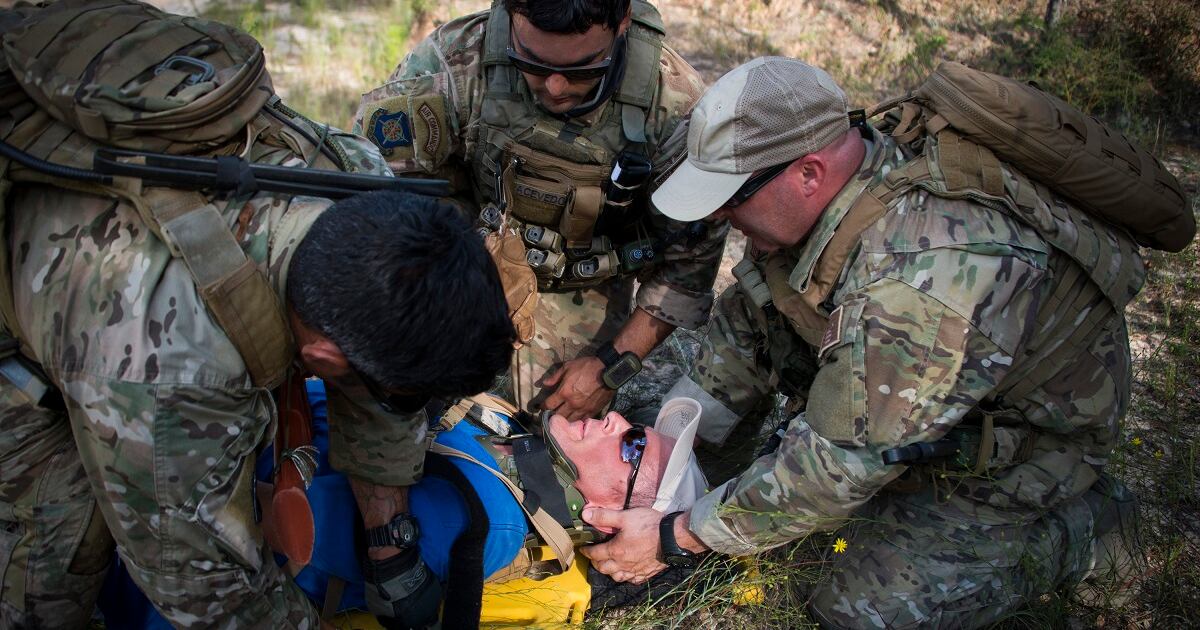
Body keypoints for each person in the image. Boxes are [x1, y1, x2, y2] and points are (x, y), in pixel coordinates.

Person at [580, 57, 1145, 627]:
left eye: (731, 197)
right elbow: (746, 334)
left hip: (1015, 453)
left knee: (857, 609)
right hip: (904, 410)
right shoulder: (821, 202)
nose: (721, 214)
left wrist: (680, 536)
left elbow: (842, 463)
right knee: (754, 507)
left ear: (808, 173)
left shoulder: (921, 277)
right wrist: (664, 451)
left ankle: (1084, 528)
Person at [354, 0, 728, 420]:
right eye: (529, 61)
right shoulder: (456, 62)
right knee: (404, 408)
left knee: (552, 432)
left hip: (583, 286)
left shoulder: (674, 104)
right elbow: (380, 196)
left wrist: (610, 367)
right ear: (511, 16)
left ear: (621, 23)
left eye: (583, 69)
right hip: (461, 258)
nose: (554, 88)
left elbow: (688, 265)